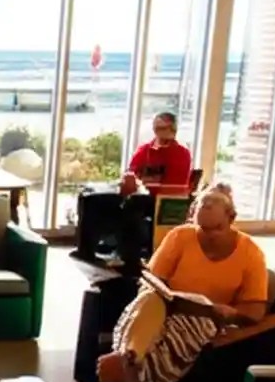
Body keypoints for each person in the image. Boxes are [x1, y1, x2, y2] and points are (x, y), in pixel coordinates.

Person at [96, 183, 267, 382]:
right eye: (202, 228)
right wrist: (159, 291)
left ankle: (123, 381)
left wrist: (232, 313)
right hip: (169, 303)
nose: (207, 236)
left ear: (231, 219)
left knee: (174, 332)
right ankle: (130, 364)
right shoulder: (181, 236)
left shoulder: (251, 253)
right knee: (147, 300)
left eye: (215, 229)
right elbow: (152, 279)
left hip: (206, 316)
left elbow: (256, 310)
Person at [75, 112, 193, 268]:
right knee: (91, 199)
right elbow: (132, 170)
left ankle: (130, 257)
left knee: (133, 205)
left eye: (162, 128)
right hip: (138, 193)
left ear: (173, 129)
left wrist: (144, 182)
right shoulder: (145, 149)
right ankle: (86, 251)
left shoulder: (181, 153)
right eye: (156, 128)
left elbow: (172, 184)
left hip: (160, 199)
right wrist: (129, 179)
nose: (158, 132)